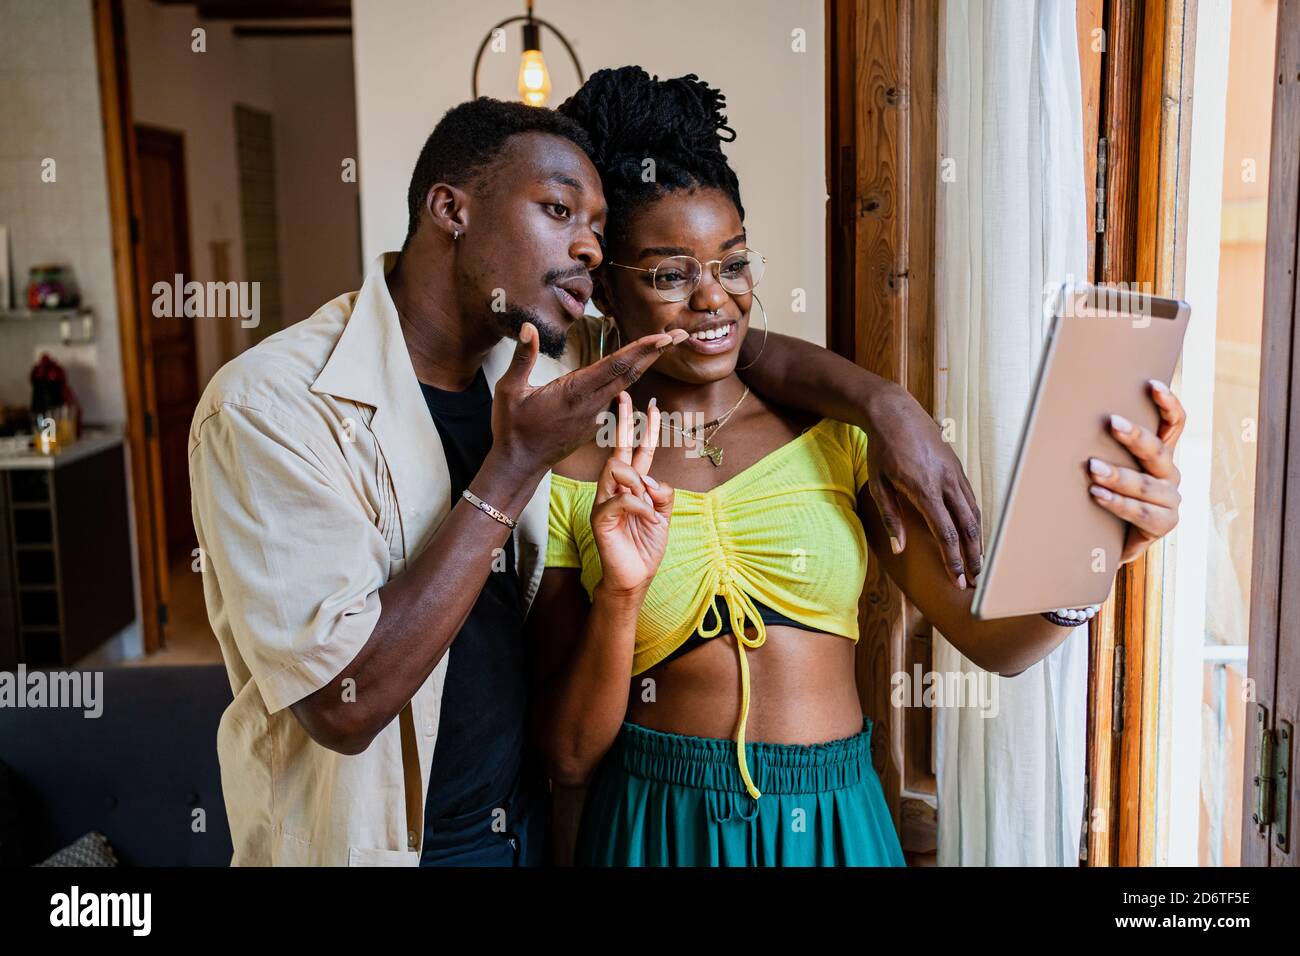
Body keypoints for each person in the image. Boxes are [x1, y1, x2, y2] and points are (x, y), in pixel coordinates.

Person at [189, 96, 982, 866]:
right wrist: (512, 469)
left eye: (599, 229)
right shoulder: (270, 406)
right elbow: (343, 704)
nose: (591, 248)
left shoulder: (542, 361)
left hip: (528, 834)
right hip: (389, 846)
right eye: (559, 210)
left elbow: (714, 333)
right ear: (450, 208)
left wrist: (883, 404)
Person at [531, 67, 1187, 866]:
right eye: (671, 275)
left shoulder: (834, 436)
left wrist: (1098, 552)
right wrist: (622, 596)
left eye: (733, 264)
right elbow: (568, 756)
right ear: (606, 289)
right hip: (656, 827)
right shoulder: (571, 472)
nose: (714, 300)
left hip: (837, 824)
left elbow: (992, 643)